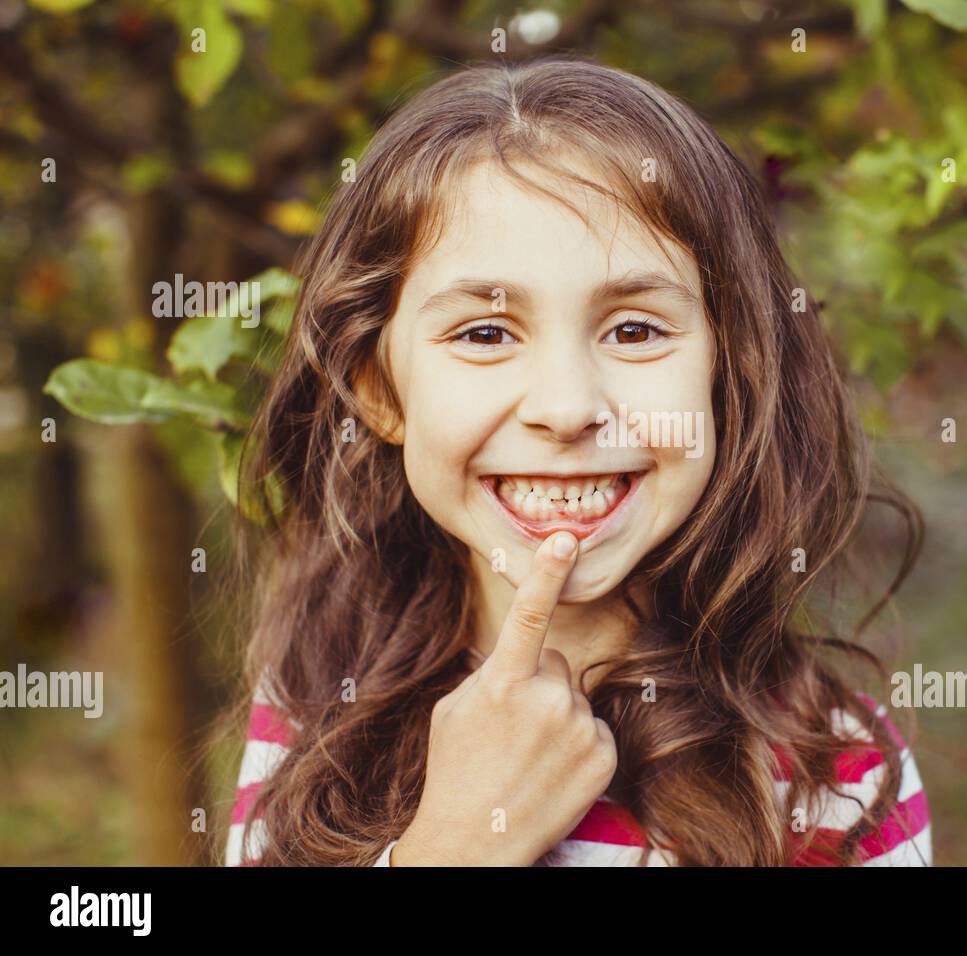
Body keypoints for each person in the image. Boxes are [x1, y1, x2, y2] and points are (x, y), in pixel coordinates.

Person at [222, 55, 931, 867]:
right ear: (381, 393)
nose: (564, 409)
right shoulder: (316, 700)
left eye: (634, 330)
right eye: (484, 334)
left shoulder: (833, 775)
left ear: (728, 378)